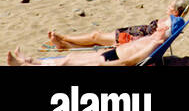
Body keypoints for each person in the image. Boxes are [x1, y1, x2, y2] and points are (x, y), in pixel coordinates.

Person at [46, 0, 189, 52]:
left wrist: (129, 43)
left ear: (176, 11)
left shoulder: (170, 23)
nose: (167, 7)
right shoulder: (172, 21)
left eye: (170, 6)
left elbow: (152, 39)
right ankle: (65, 45)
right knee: (97, 39)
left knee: (95, 36)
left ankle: (64, 38)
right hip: (133, 32)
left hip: (130, 38)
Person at [9, 20, 174, 67]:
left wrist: (109, 64)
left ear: (164, 31)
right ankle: (30, 61)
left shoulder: (153, 43)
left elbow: (130, 62)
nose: (158, 25)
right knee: (70, 58)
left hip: (110, 62)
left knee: (67, 62)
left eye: (162, 26)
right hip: (110, 54)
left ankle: (26, 65)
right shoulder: (152, 39)